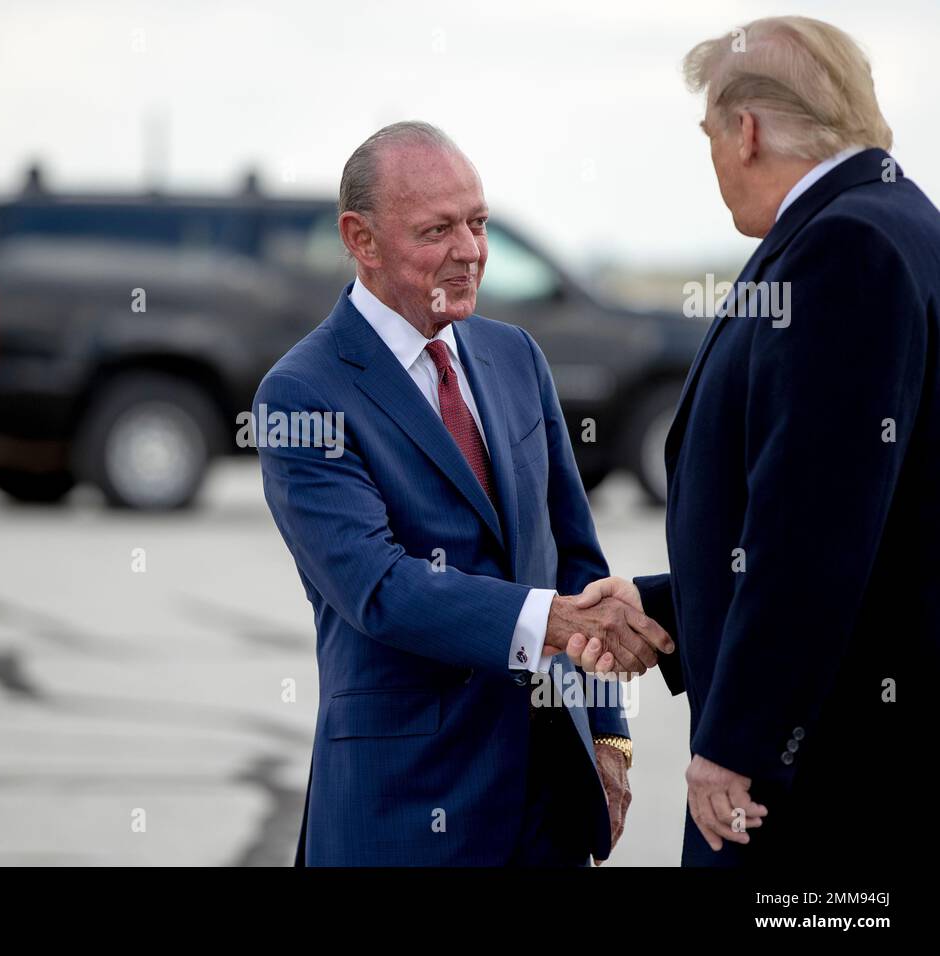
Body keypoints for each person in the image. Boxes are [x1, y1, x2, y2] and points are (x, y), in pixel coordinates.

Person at [254, 122, 673, 866]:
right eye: (437, 230)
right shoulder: (301, 393)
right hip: (403, 809)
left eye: (477, 222)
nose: (471, 250)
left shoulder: (515, 356)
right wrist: (548, 621)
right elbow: (378, 587)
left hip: (546, 802)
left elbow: (575, 555)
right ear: (362, 239)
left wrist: (607, 731)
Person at [575, 16, 938, 866]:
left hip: (815, 781)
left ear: (745, 131)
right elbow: (863, 521)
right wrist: (663, 605)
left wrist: (741, 742)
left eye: (709, 134)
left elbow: (813, 532)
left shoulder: (845, 250)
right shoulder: (898, 222)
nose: (712, 159)